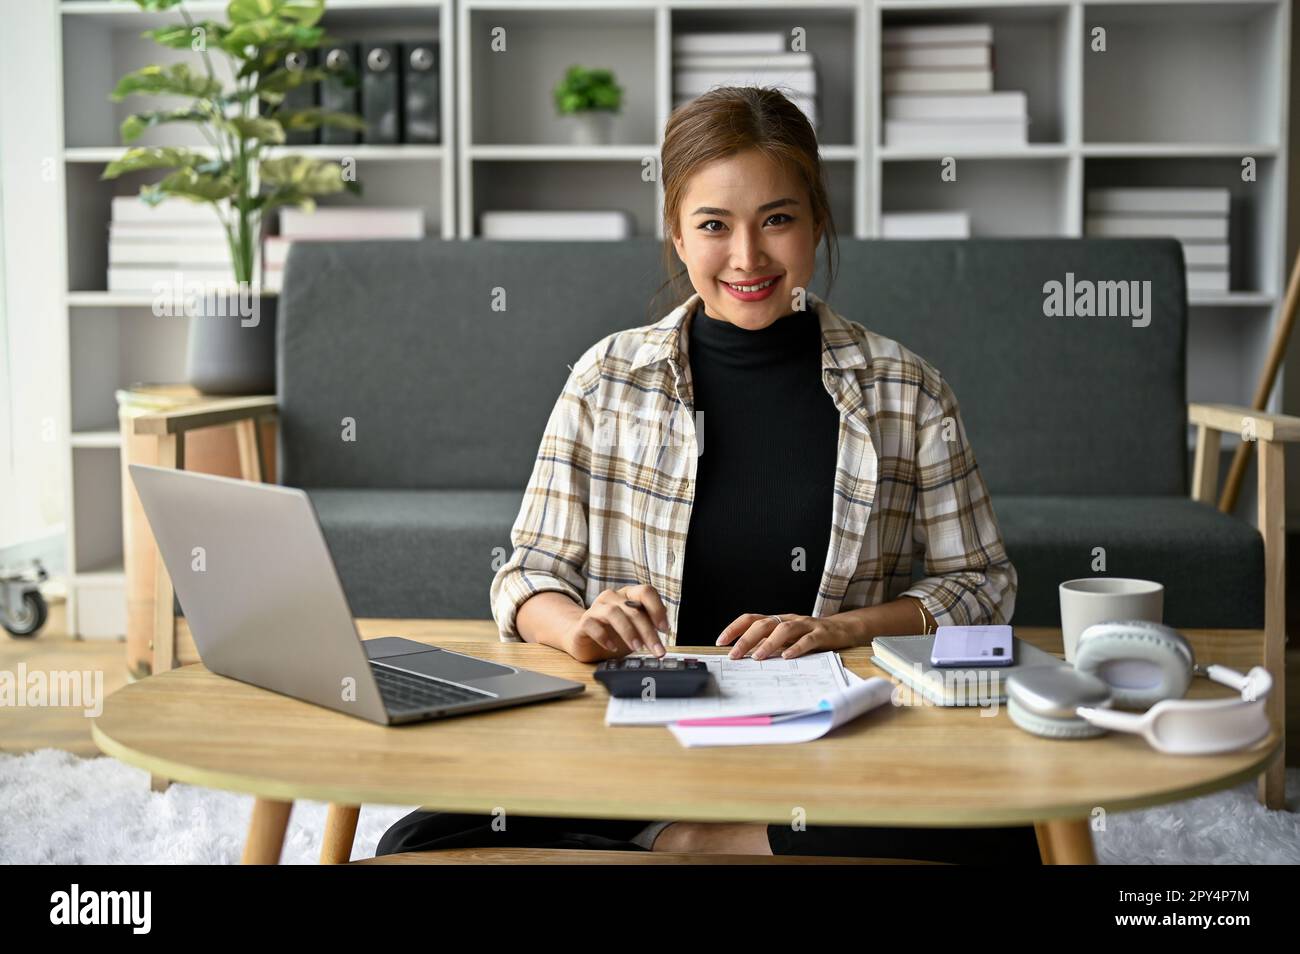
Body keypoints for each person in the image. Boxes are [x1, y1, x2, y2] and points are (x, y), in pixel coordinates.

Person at [377, 86, 1038, 864]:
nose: (749, 257)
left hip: (826, 754)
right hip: (640, 742)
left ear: (818, 222)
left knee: (1001, 831)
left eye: (778, 220)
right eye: (715, 225)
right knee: (419, 839)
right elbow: (527, 577)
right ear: (678, 234)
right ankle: (711, 838)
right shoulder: (606, 380)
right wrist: (577, 627)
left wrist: (843, 629)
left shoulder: (907, 389)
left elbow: (982, 587)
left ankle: (689, 842)